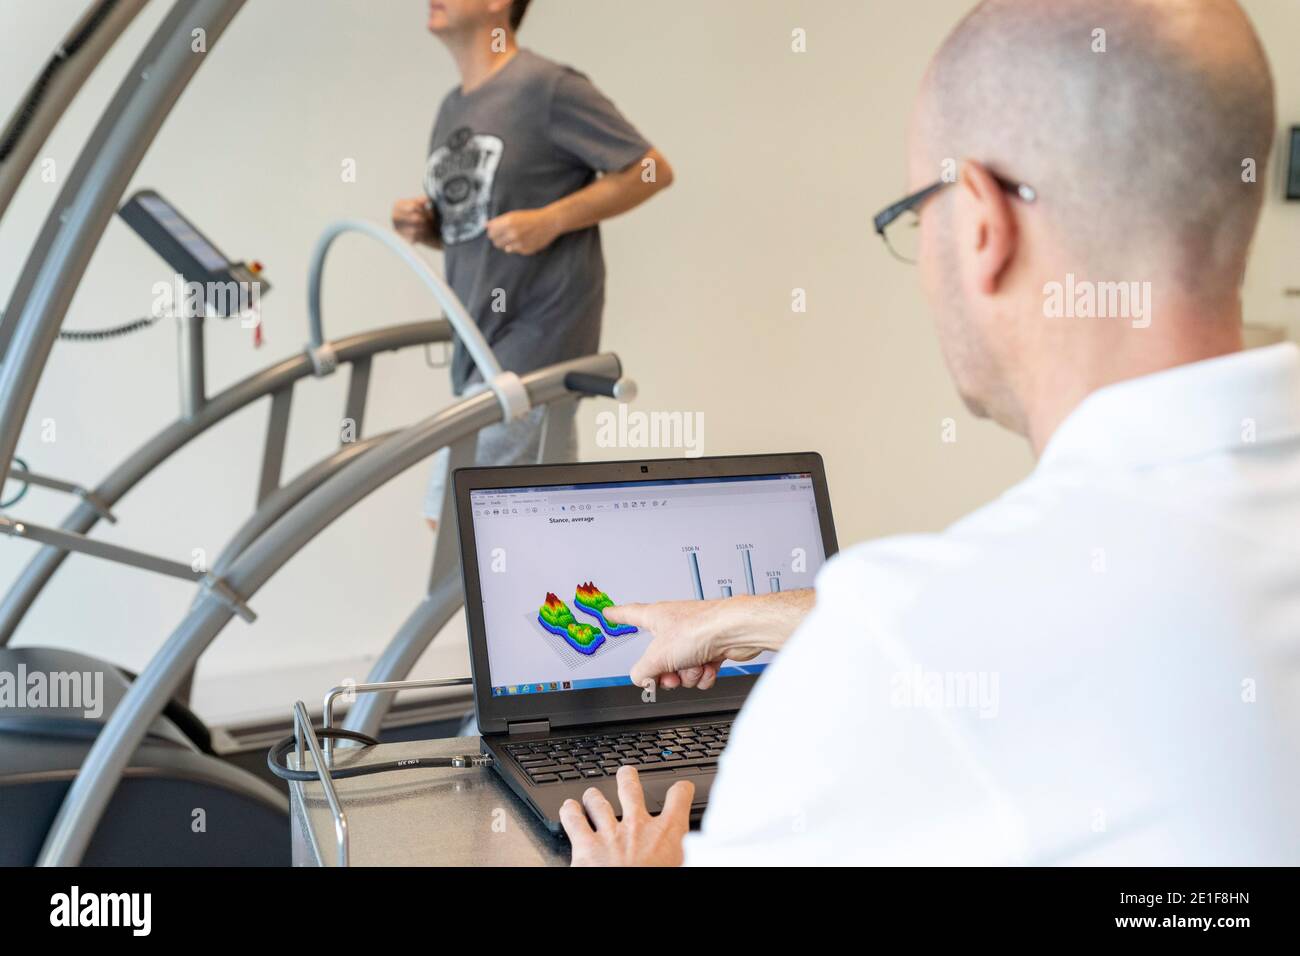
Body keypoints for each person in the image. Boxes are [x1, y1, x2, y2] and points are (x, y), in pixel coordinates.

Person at [561, 0, 1300, 866]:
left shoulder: (896, 658)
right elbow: (1019, 644)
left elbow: (955, 649)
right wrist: (738, 619)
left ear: (985, 224)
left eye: (916, 214)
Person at [393, 0, 673, 529]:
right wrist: (426, 227)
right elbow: (477, 226)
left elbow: (650, 170)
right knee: (543, 519)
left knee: (455, 520)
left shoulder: (547, 87)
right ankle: (572, 610)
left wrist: (552, 218)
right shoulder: (453, 107)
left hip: (536, 341)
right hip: (481, 345)